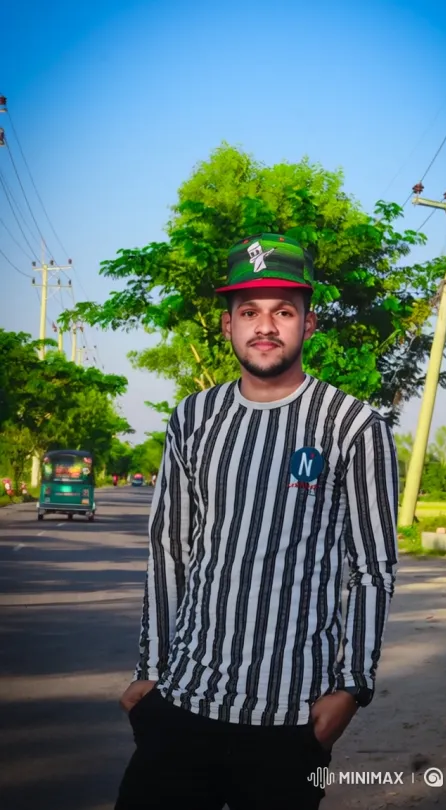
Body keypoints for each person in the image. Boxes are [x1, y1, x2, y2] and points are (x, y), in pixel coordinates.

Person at [114, 233, 399, 810]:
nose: (264, 325)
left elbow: (371, 569)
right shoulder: (194, 418)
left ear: (308, 324)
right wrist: (149, 674)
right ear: (228, 325)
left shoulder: (353, 426)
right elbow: (170, 548)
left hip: (290, 721)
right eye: (249, 311)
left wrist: (352, 688)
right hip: (182, 706)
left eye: (282, 311)